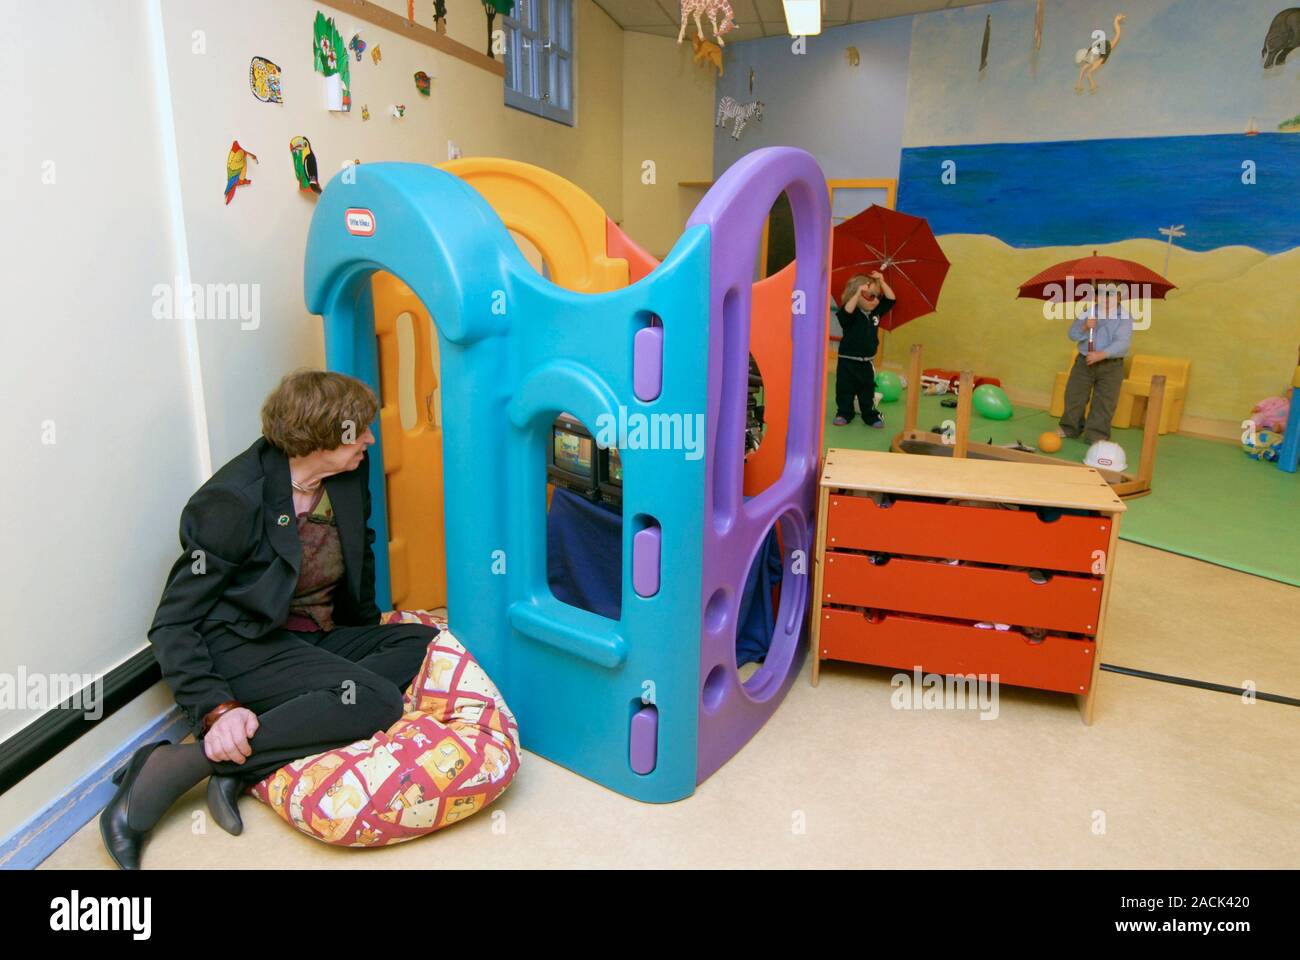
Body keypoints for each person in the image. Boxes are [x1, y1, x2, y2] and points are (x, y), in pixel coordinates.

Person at [100, 370, 436, 870]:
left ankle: (248, 762)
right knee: (375, 699)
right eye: (357, 430)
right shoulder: (230, 502)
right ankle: (172, 766)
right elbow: (172, 623)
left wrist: (363, 632)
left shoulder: (345, 474)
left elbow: (358, 551)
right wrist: (215, 709)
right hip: (242, 642)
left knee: (422, 643)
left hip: (310, 635)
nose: (369, 438)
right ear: (320, 437)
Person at [1058, 285, 1132, 443]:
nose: (1106, 299)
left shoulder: (1124, 317)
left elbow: (1122, 342)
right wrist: (1084, 327)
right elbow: (1072, 335)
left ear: (1119, 298)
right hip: (1084, 361)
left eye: (1111, 295)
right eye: (1102, 295)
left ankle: (1097, 434)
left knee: (1105, 401)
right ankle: (1069, 427)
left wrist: (1102, 354)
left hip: (1111, 365)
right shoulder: (1088, 313)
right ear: (1096, 297)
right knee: (1074, 396)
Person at [832, 270, 896, 428]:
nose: (875, 301)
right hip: (847, 361)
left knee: (867, 392)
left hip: (867, 363)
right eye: (869, 296)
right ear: (856, 295)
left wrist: (882, 281)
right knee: (844, 390)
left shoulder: (875, 312)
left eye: (877, 296)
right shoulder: (849, 314)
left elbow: (891, 299)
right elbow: (846, 313)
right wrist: (858, 292)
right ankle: (844, 413)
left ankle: (870, 414)